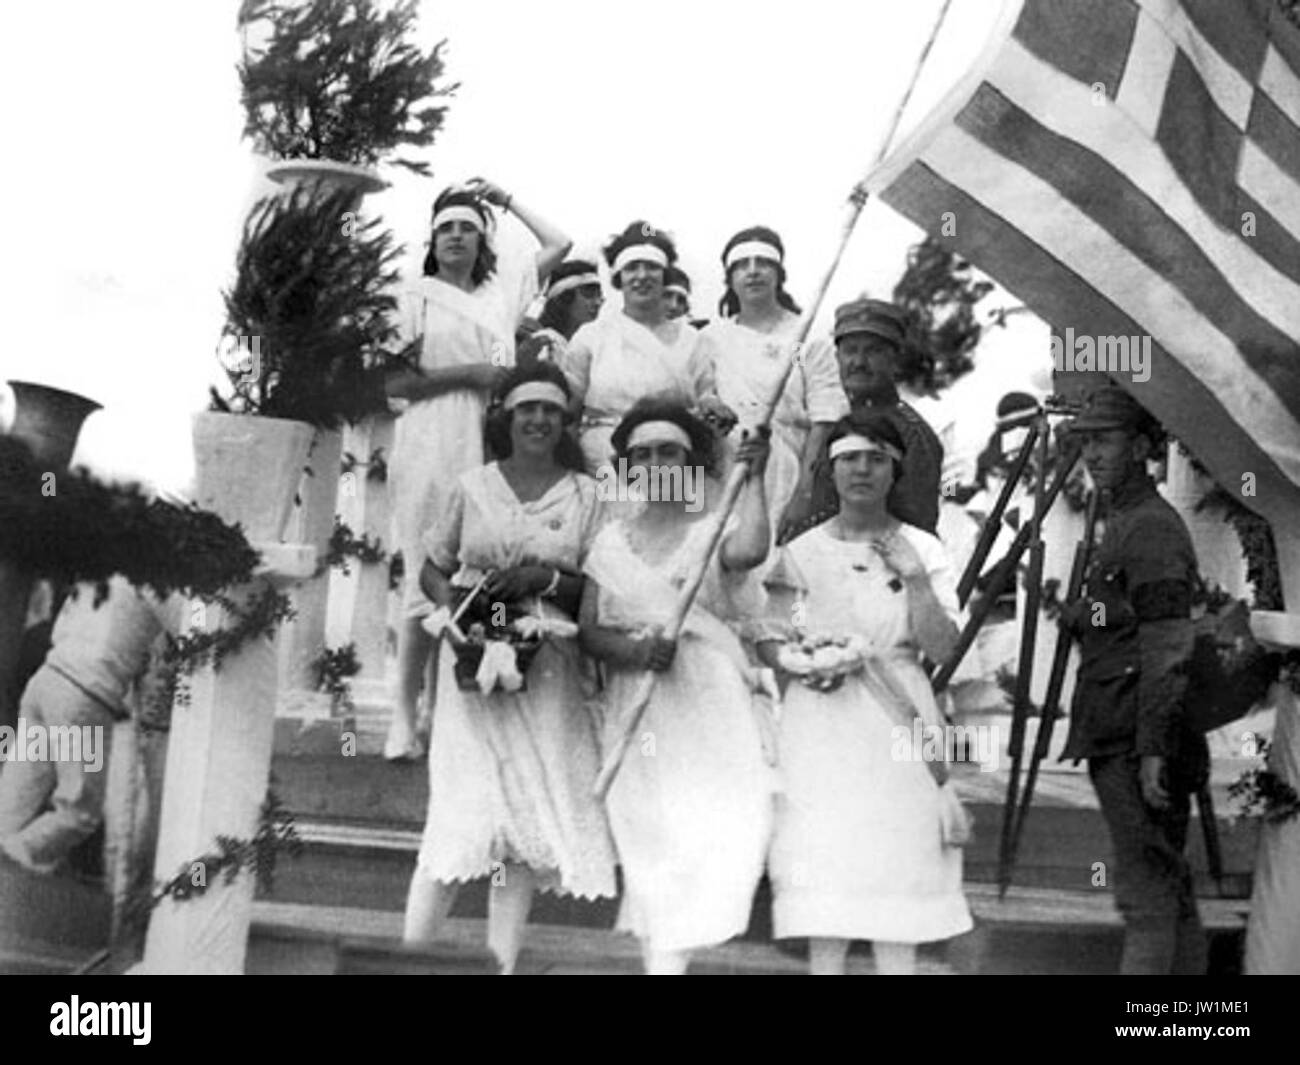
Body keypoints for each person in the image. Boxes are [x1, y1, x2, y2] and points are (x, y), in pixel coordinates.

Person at [401, 363, 617, 973]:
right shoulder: (472, 486)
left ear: (566, 420)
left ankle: (501, 961)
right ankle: (404, 959)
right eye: (527, 409)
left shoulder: (587, 494)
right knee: (461, 808)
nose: (539, 420)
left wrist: (545, 578)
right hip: (471, 654)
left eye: (551, 410)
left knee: (523, 814)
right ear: (507, 416)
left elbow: (599, 588)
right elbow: (433, 563)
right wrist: (454, 611)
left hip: (546, 663)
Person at [756, 413, 973, 974]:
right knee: (825, 870)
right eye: (850, 457)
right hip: (820, 723)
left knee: (895, 871)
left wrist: (917, 580)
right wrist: (800, 662)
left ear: (894, 470)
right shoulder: (801, 553)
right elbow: (778, 633)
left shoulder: (923, 548)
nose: (862, 469)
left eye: (876, 459)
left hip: (897, 722)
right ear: (831, 468)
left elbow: (945, 647)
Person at [578, 399, 775, 974]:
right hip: (639, 708)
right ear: (626, 466)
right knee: (647, 834)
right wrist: (636, 650)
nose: (656, 461)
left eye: (670, 451)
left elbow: (752, 550)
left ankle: (674, 961)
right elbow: (590, 632)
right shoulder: (609, 542)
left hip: (708, 703)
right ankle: (663, 964)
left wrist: (756, 479)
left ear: (692, 461)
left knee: (707, 832)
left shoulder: (715, 528)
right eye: (642, 454)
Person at [383, 180, 572, 762]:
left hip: (490, 433)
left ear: (482, 238)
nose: (456, 237)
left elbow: (559, 242)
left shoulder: (498, 293)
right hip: (432, 429)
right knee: (425, 566)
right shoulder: (410, 294)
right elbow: (394, 383)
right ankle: (402, 716)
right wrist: (470, 372)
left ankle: (451, 711)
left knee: (479, 567)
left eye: (466, 227)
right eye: (445, 229)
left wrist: (506, 199)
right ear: (432, 240)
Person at [1057, 385, 1208, 975]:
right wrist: (1081, 613)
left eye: (1105, 440)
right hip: (1122, 724)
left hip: (1135, 732)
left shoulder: (1149, 527)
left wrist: (1151, 749)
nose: (1092, 455)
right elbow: (1117, 612)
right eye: (1086, 442)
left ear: (1142, 446)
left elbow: (1168, 642)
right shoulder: (1125, 520)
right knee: (1167, 888)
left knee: (1146, 896)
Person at [0, 576, 182, 875]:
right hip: (85, 702)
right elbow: (195, 627)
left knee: (11, 806)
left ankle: (7, 856)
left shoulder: (103, 565)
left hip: (46, 681)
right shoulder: (159, 577)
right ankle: (12, 854)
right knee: (80, 813)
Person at [697, 226, 845, 538]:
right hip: (725, 464)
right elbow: (701, 391)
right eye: (741, 265)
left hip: (787, 467)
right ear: (730, 278)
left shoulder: (806, 337)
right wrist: (710, 403)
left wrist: (804, 492)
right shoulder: (711, 337)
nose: (752, 272)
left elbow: (825, 418)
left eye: (762, 263)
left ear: (778, 273)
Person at [559, 221, 735, 475]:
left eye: (651, 267)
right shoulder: (592, 337)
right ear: (619, 277)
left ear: (664, 275)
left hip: (673, 458)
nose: (642, 276)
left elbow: (706, 393)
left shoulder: (694, 340)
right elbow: (570, 412)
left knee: (673, 514)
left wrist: (712, 405)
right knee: (617, 513)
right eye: (632, 268)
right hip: (606, 459)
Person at [779, 299, 943, 543]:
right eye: (850, 350)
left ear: (895, 359)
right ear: (837, 356)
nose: (859, 362)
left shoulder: (912, 434)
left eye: (873, 351)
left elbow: (915, 529)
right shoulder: (824, 419)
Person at [537, 258, 604, 342]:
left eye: (599, 294)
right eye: (588, 294)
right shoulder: (543, 341)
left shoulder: (586, 343)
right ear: (565, 297)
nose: (598, 302)